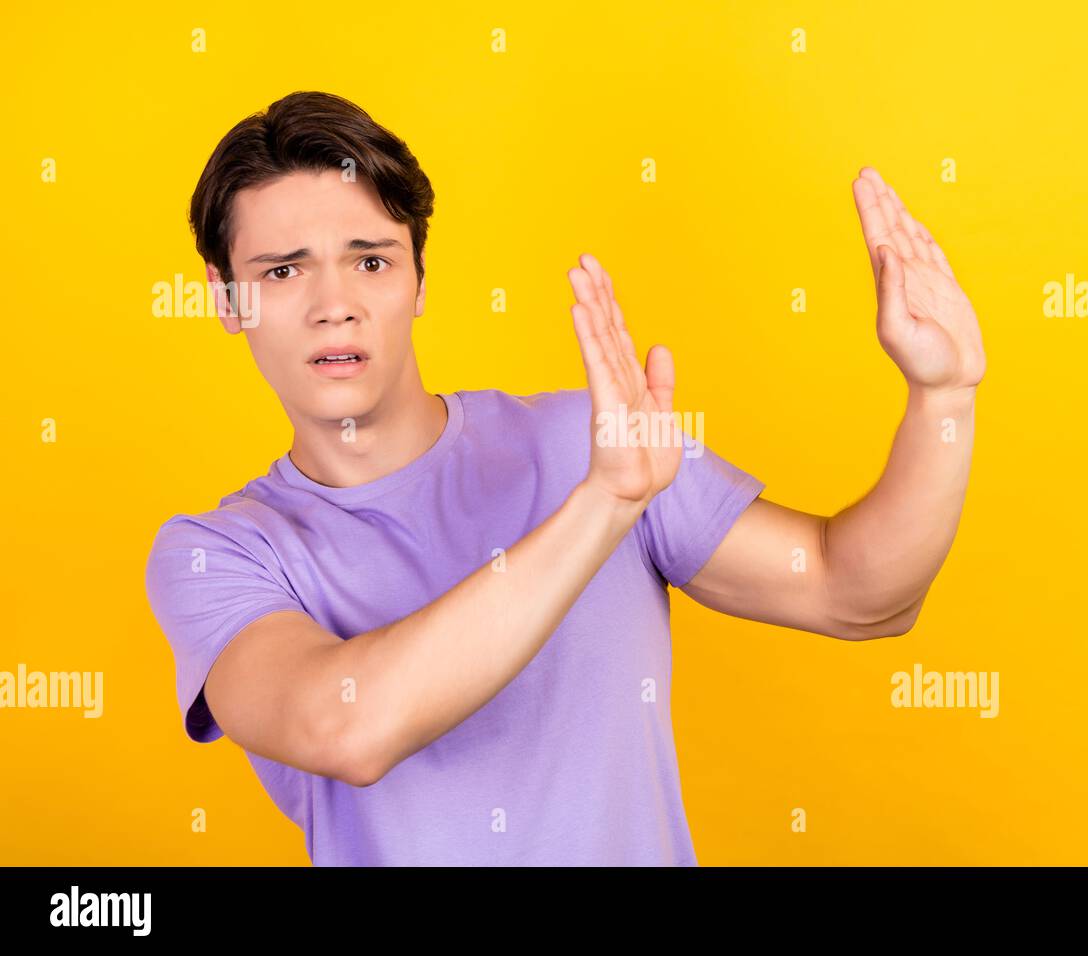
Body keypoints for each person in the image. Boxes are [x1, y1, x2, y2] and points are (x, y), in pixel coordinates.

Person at [144, 90, 986, 866]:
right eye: (283, 272)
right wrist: (606, 505)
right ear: (226, 299)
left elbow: (859, 594)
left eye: (370, 261)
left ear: (420, 280)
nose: (336, 303)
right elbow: (349, 725)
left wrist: (943, 398)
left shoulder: (594, 436)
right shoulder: (218, 555)